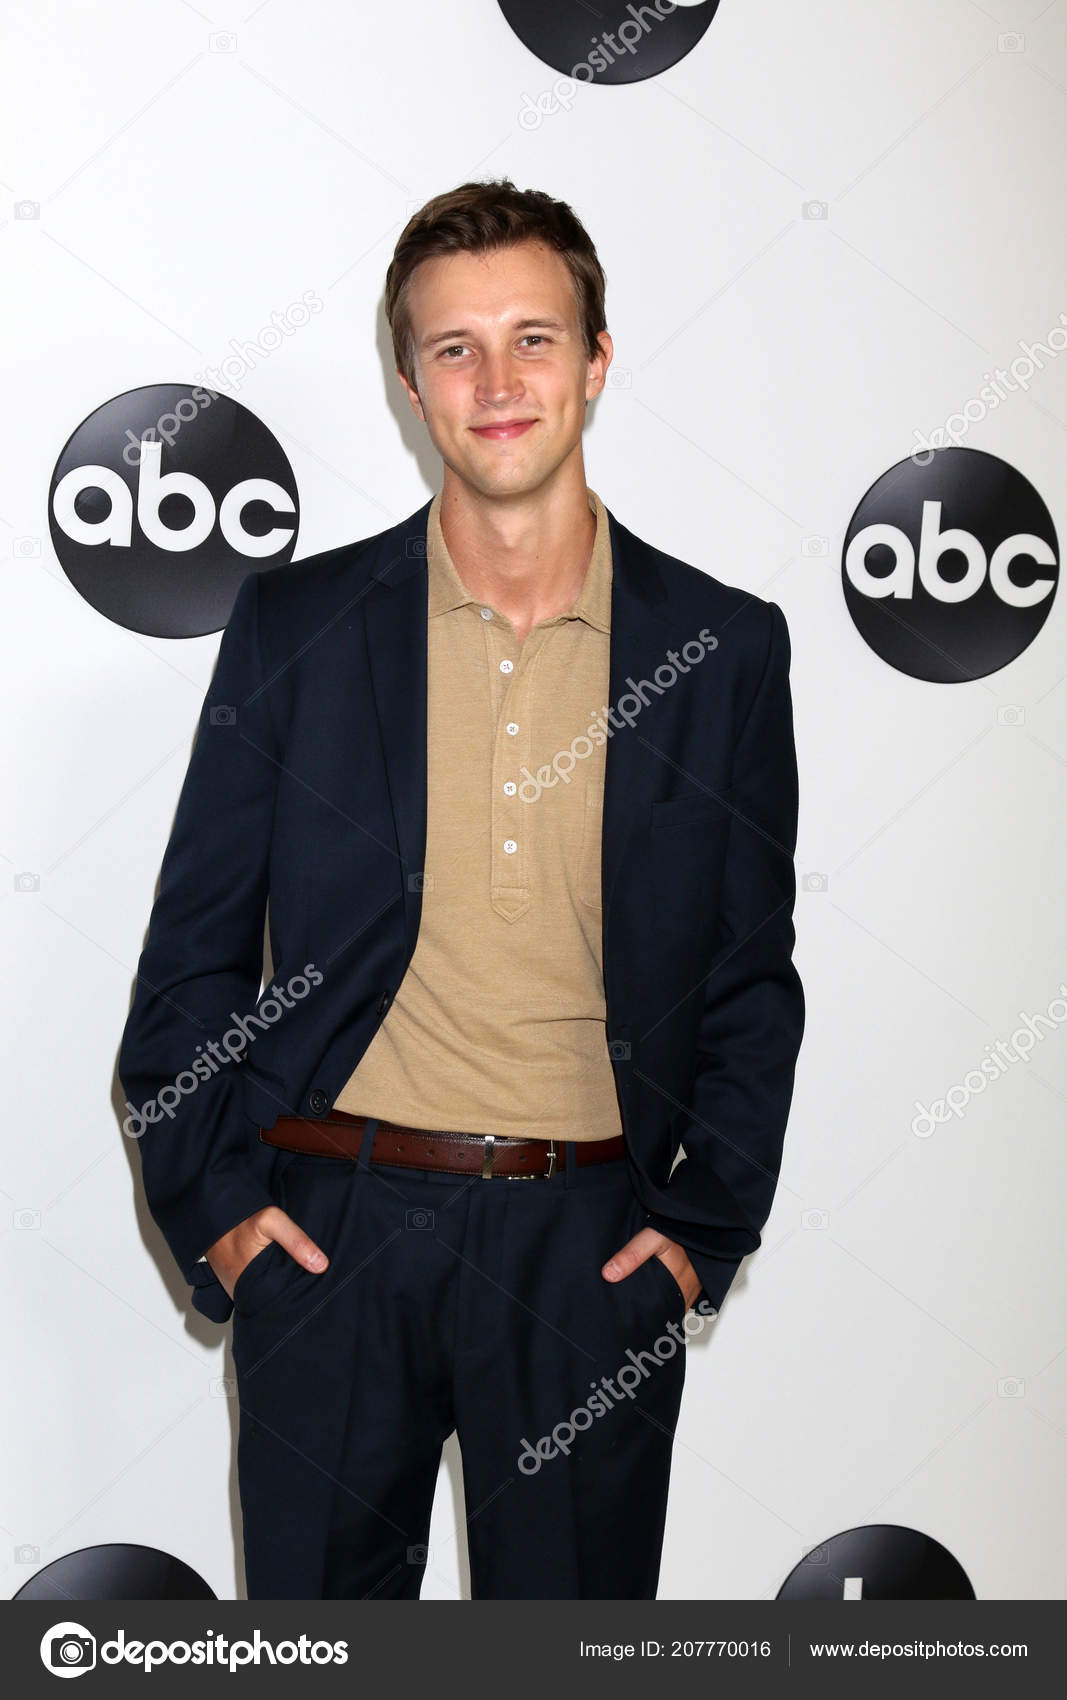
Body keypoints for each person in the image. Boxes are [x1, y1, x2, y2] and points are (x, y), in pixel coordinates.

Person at [118, 178, 804, 1600]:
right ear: (412, 386)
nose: (498, 383)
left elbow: (752, 979)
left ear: (597, 361)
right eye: (454, 349)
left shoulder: (723, 649)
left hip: (591, 1255)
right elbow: (189, 957)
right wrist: (231, 1221)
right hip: (334, 1233)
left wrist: (696, 1238)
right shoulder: (300, 628)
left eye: (534, 340)